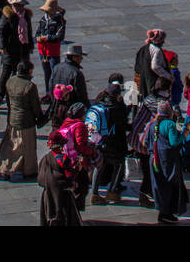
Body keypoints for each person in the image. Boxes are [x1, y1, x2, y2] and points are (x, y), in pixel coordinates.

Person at [0, 61, 44, 180]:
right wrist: (40, 117)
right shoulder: (30, 86)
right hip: (26, 121)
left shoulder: (10, 81)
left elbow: (8, 101)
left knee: (11, 146)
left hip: (12, 119)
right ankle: (28, 170)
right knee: (27, 148)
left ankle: (6, 168)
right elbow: (35, 106)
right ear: (28, 71)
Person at [145, 100, 189, 224]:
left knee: (160, 186)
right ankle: (167, 213)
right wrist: (184, 134)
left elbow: (147, 142)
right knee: (170, 186)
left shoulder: (153, 124)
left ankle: (162, 212)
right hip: (167, 161)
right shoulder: (169, 124)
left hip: (154, 160)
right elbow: (174, 142)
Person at [89, 76, 128, 204]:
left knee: (99, 165)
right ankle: (112, 191)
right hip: (113, 141)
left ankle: (94, 193)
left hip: (98, 140)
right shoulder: (116, 106)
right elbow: (122, 124)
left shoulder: (99, 100)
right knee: (119, 164)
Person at [38, 131, 83, 227]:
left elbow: (41, 178)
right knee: (64, 218)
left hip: (47, 194)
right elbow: (70, 175)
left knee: (49, 217)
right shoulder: (64, 159)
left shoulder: (45, 158)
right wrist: (77, 169)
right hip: (62, 195)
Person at [0, 0, 34, 98]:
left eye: (21, 5)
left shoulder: (26, 16)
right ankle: (1, 94)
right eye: (17, 5)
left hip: (23, 49)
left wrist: (30, 45)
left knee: (21, 71)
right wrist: (2, 46)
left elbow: (29, 31)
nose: (19, 7)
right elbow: (1, 32)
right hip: (10, 49)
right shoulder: (7, 16)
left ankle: (18, 93)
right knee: (6, 72)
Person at [36, 0, 66, 93]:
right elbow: (38, 32)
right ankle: (48, 92)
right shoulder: (43, 20)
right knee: (46, 72)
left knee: (54, 72)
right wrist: (38, 37)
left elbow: (60, 37)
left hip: (53, 51)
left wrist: (47, 38)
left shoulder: (59, 21)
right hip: (43, 51)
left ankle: (56, 92)